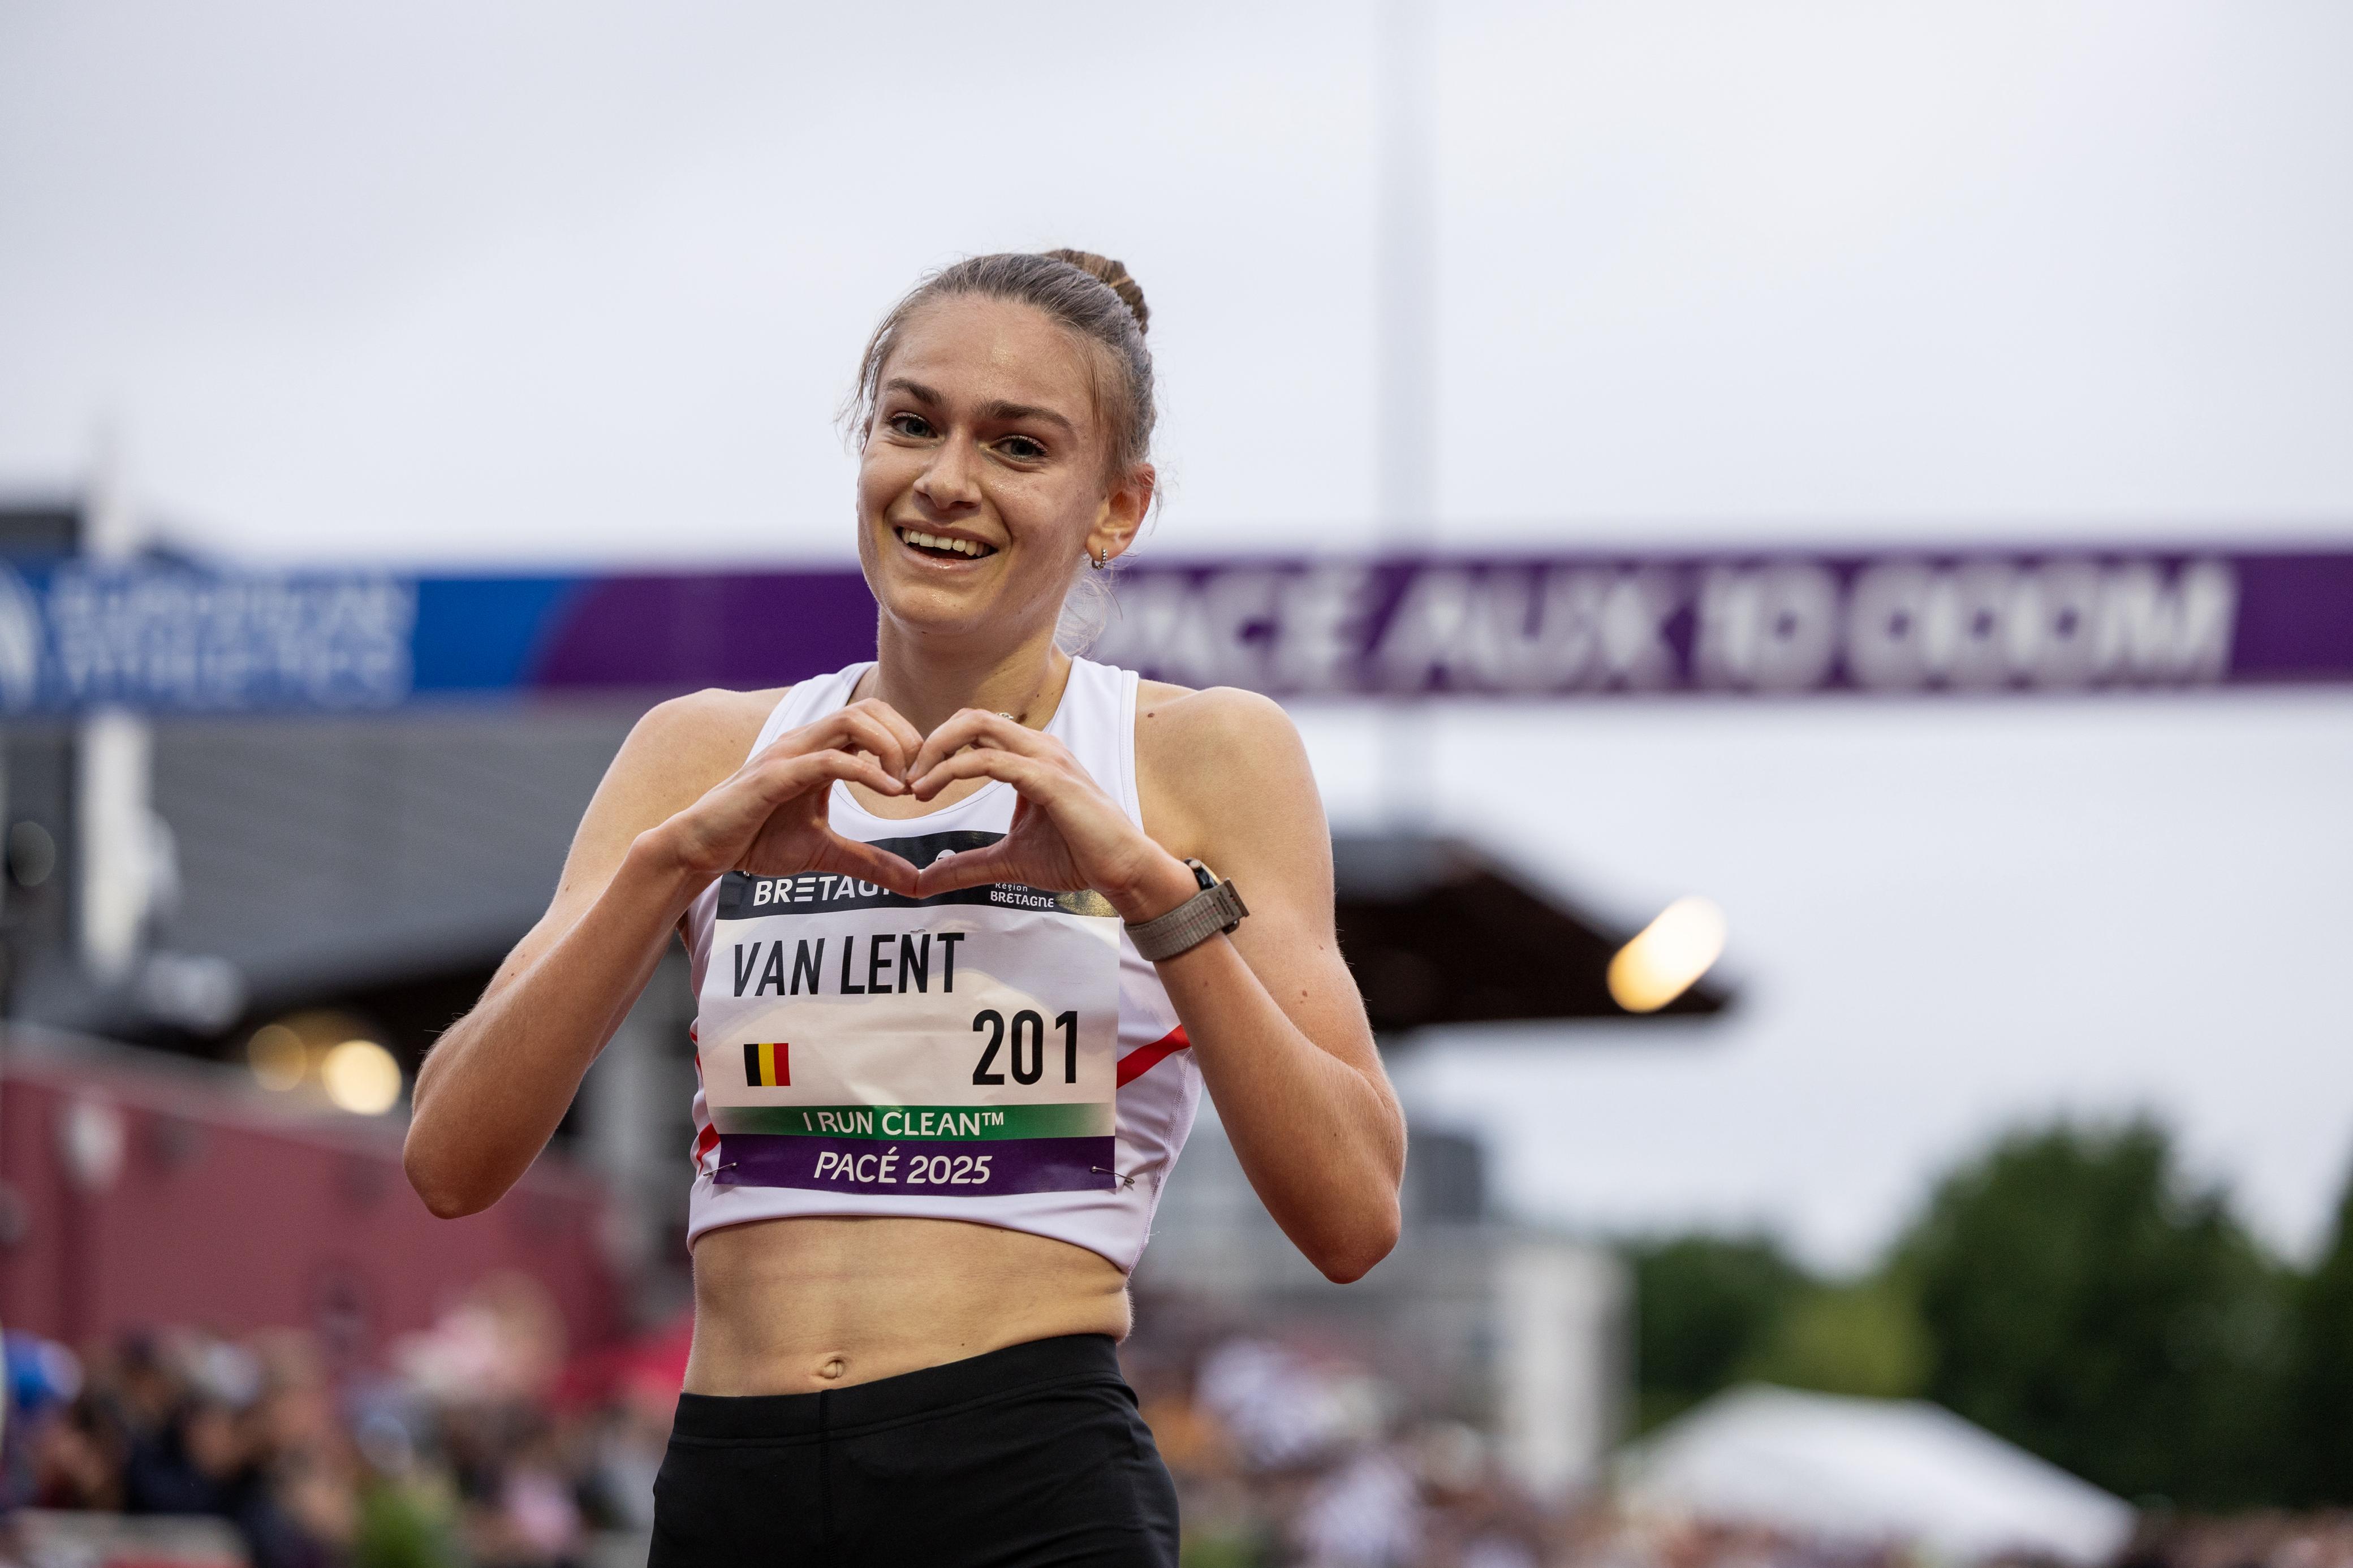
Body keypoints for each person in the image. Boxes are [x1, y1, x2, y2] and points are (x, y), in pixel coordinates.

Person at [403, 248, 1406, 1565]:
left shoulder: (1198, 753)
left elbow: (1354, 1214)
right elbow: (450, 1158)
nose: (946, 479)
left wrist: (1146, 887)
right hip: (732, 1483)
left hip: (1028, 1483)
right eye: (913, 424)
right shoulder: (706, 751)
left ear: (1116, 508)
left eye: (1018, 445)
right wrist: (673, 865)